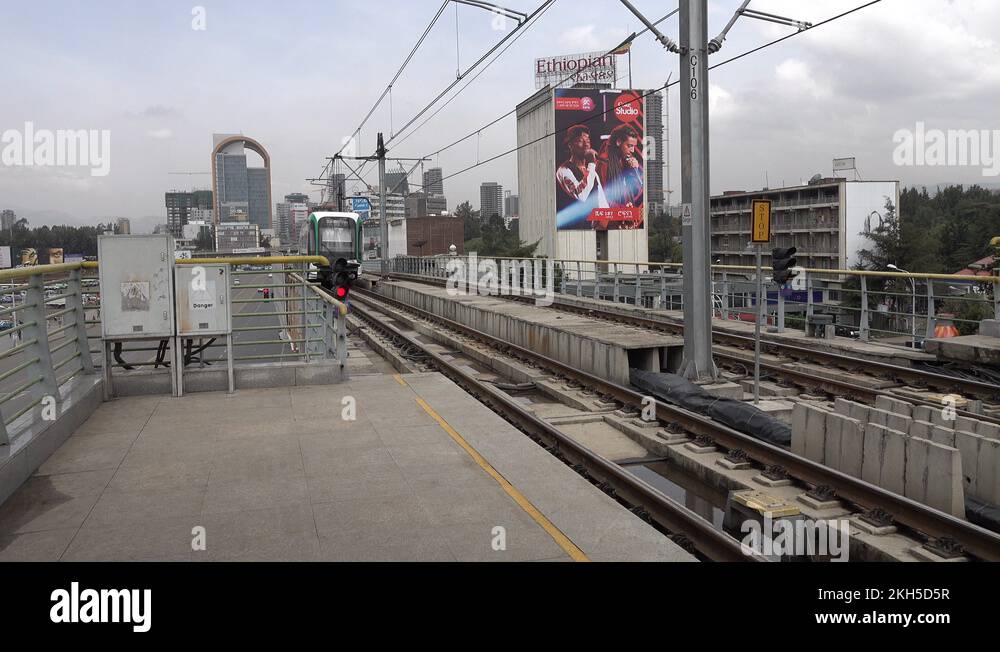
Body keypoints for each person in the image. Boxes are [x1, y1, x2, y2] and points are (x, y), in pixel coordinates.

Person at [556, 125, 609, 221]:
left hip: (598, 226)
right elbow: (581, 196)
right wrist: (592, 164)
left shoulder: (591, 171)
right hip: (578, 227)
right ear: (570, 145)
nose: (586, 145)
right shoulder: (564, 170)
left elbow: (602, 202)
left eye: (588, 141)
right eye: (581, 141)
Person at [598, 124, 644, 209]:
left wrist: (634, 170)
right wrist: (624, 209)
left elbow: (635, 192)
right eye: (629, 146)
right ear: (618, 142)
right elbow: (602, 198)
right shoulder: (604, 163)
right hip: (611, 219)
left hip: (626, 217)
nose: (632, 150)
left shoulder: (625, 162)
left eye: (634, 147)